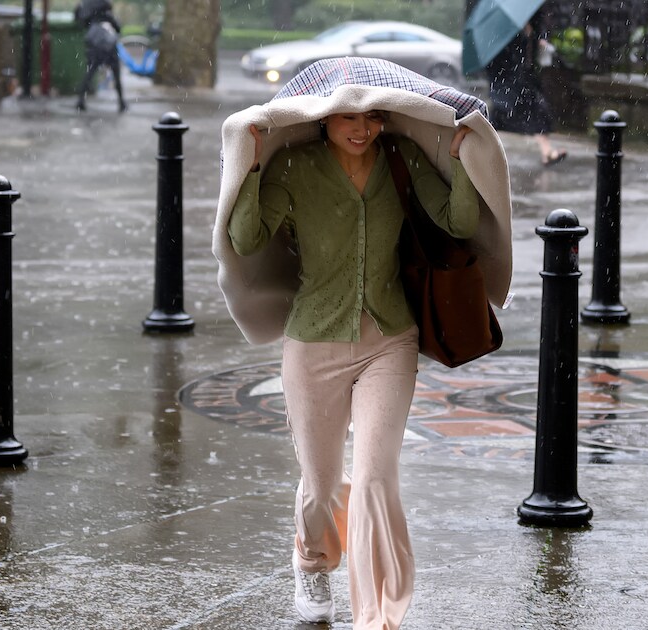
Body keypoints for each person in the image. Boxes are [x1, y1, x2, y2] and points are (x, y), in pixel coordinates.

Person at [227, 112, 476, 628]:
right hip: (313, 344)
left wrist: (463, 163)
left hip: (390, 341)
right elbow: (248, 239)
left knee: (374, 480)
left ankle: (379, 615)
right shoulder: (296, 165)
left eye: (371, 116)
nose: (361, 128)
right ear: (325, 118)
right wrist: (249, 168)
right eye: (348, 117)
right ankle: (311, 560)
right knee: (320, 487)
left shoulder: (400, 158)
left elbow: (459, 222)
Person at [486, 20, 567, 166]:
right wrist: (525, 35)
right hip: (510, 81)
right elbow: (512, 57)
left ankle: (547, 152)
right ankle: (480, 152)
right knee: (498, 117)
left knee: (536, 112)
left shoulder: (511, 26)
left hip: (517, 81)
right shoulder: (504, 31)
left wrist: (529, 34)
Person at [74, 0, 126, 112]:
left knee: (89, 74)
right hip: (109, 48)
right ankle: (121, 102)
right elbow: (118, 28)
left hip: (94, 47)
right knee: (116, 74)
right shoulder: (106, 14)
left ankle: (80, 101)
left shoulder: (87, 12)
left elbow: (78, 19)